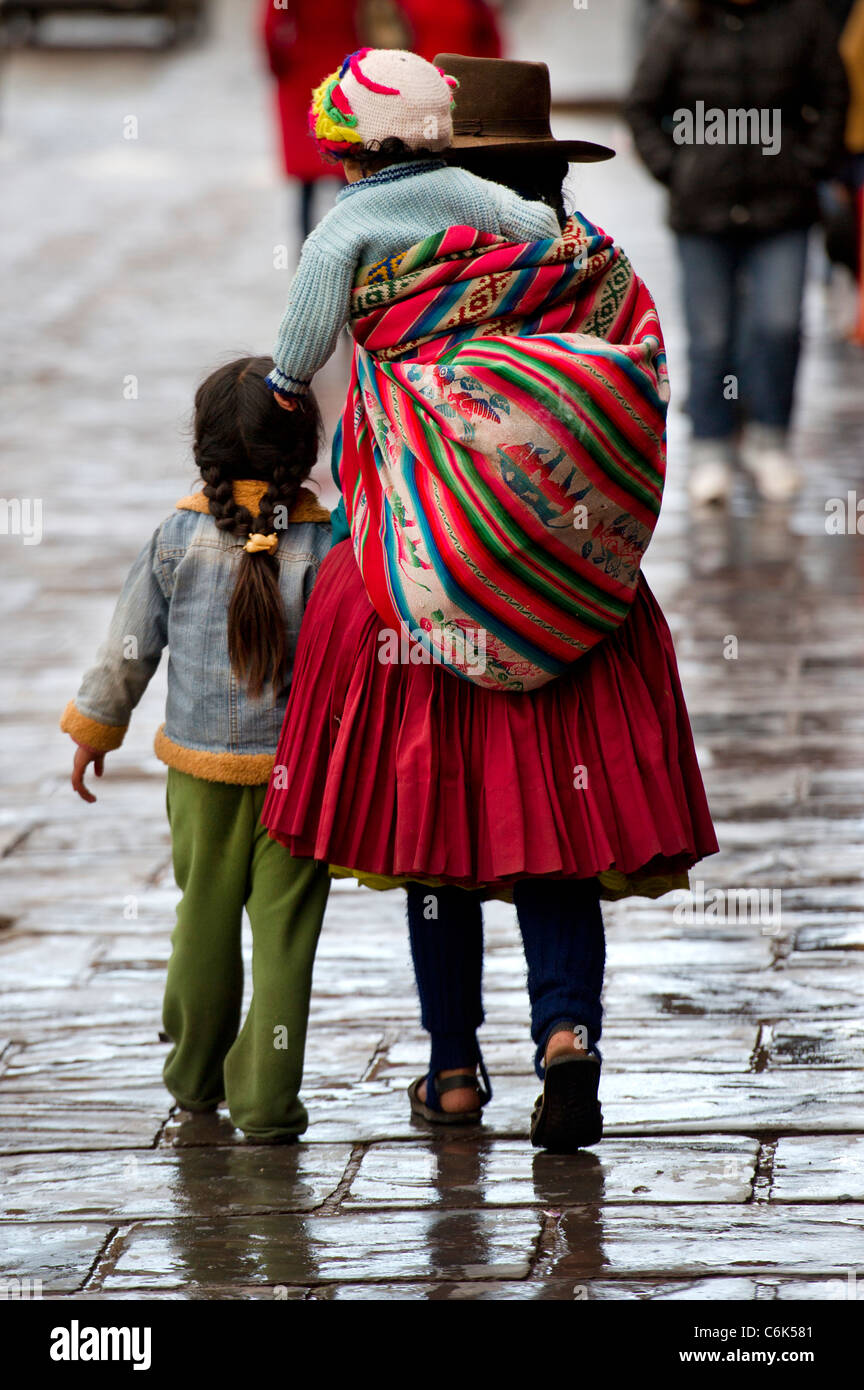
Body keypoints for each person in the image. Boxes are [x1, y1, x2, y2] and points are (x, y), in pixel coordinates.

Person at [260, 56, 718, 1153]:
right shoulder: (584, 266)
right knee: (559, 836)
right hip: (573, 590)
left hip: (404, 603)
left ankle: (453, 1067)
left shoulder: (371, 255)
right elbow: (639, 403)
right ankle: (565, 1038)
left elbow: (294, 370)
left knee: (435, 846)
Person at [59, 358, 332, 1144]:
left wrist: (93, 728)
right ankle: (267, 1102)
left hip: (200, 775)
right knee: (285, 938)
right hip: (299, 780)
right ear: (302, 447)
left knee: (203, 918)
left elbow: (128, 650)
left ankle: (195, 1080)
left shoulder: (176, 537)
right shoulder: (328, 544)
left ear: (204, 448)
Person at [625, 0, 849, 505]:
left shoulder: (802, 20)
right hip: (702, 210)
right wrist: (677, 172)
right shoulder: (679, 22)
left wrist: (807, 163)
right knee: (711, 334)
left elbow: (833, 96)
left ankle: (771, 439)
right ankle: (711, 446)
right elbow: (642, 106)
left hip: (783, 207)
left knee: (779, 325)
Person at [264, 46, 564, 404]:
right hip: (485, 363)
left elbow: (312, 312)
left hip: (405, 382)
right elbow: (544, 229)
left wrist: (289, 376)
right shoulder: (474, 191)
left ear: (352, 150)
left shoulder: (345, 222)